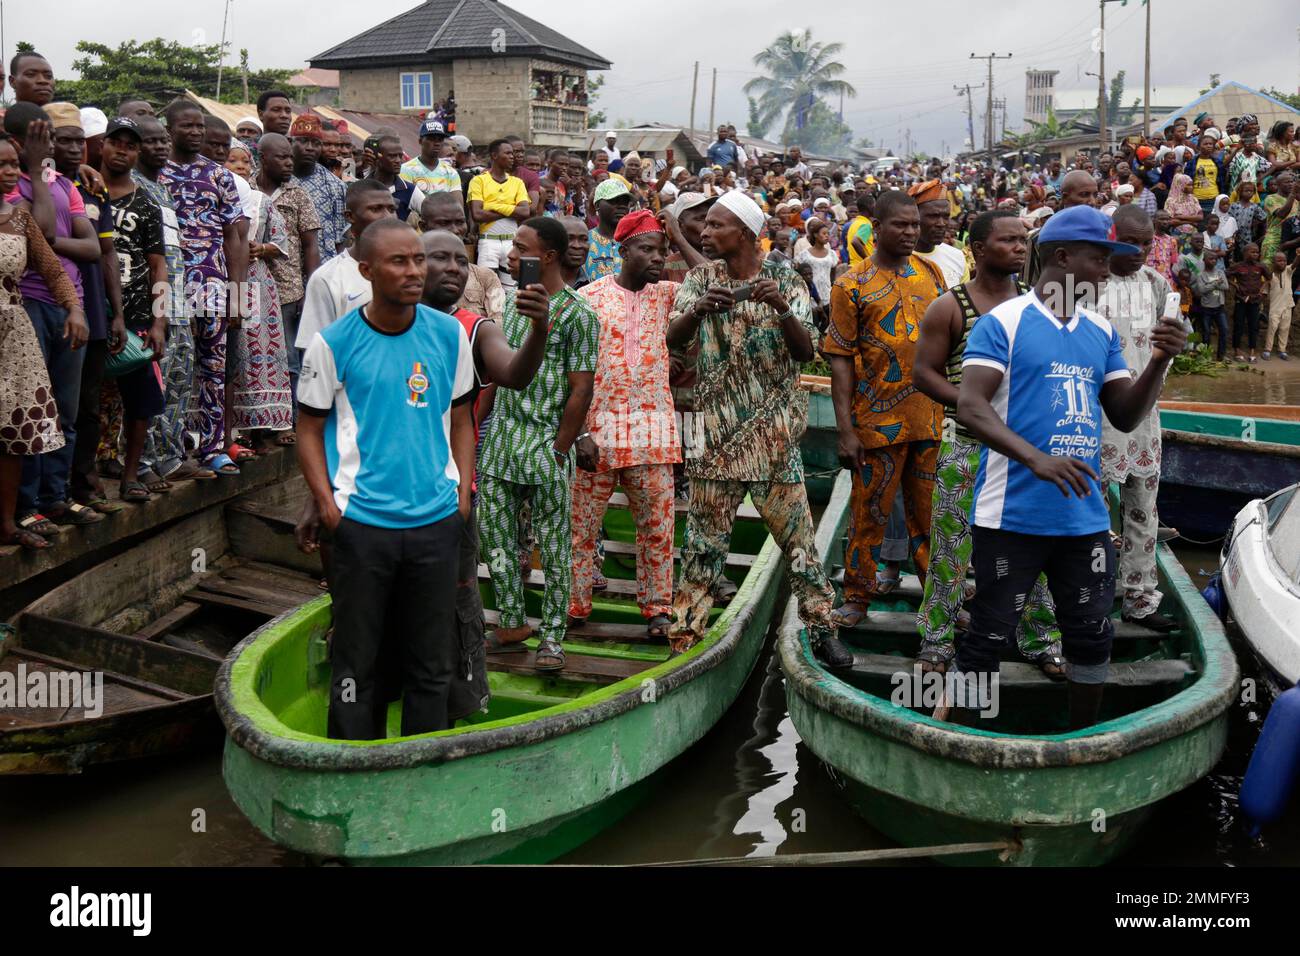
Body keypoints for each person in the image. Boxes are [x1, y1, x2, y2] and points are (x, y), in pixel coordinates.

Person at [951, 205, 1188, 728]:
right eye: (1098, 257)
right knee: (988, 633)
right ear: (1061, 257)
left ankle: (1082, 740)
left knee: (1090, 634)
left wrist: (1159, 361)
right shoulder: (1004, 322)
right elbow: (971, 407)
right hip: (1011, 515)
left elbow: (1124, 415)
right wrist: (1036, 459)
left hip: (1083, 520)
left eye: (1112, 258)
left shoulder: (1098, 331)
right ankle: (966, 742)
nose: (1107, 269)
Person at [298, 218, 475, 739]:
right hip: (361, 524)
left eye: (419, 259)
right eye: (400, 262)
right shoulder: (333, 344)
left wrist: (461, 492)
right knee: (358, 659)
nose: (416, 271)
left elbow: (462, 418)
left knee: (431, 657)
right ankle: (353, 762)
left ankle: (420, 761)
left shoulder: (448, 336)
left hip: (437, 521)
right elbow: (306, 429)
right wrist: (327, 504)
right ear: (367, 270)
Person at [666, 191, 849, 668]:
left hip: (773, 440)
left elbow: (807, 351)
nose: (704, 234)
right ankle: (685, 640)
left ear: (745, 233)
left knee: (800, 547)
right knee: (702, 548)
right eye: (704, 226)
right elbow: (672, 338)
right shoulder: (700, 279)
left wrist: (783, 309)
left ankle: (822, 628)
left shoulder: (785, 279)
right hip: (713, 437)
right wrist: (700, 309)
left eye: (715, 226)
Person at [912, 209, 1062, 675]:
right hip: (968, 442)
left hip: (1024, 450)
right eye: (1008, 241)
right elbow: (923, 374)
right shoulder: (950, 306)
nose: (1019, 248)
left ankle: (1039, 636)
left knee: (1032, 545)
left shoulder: (1038, 306)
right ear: (978, 249)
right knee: (951, 543)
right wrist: (974, 404)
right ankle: (936, 639)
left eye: (1023, 240)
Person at [476, 217, 598, 672]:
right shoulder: (509, 302)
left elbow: (581, 389)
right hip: (502, 443)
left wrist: (561, 449)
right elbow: (498, 372)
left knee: (554, 546)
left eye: (520, 248)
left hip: (545, 444)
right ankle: (511, 623)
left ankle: (551, 637)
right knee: (496, 539)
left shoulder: (579, 314)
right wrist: (477, 426)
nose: (510, 254)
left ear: (546, 257)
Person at [822, 190, 944, 629]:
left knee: (931, 513)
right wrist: (844, 429)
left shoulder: (930, 273)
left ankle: (942, 601)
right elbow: (839, 357)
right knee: (868, 513)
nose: (912, 232)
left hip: (929, 418)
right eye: (902, 225)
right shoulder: (851, 283)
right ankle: (857, 595)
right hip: (876, 423)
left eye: (915, 225)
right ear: (877, 230)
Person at [570, 211, 681, 638]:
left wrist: (674, 230)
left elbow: (710, 283)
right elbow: (570, 370)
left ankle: (657, 609)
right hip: (595, 436)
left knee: (657, 528)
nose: (657, 258)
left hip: (652, 436)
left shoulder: (669, 295)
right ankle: (575, 604)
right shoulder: (590, 298)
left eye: (662, 250)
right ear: (623, 251)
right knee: (578, 527)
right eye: (647, 249)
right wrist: (578, 432)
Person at [4, 104, 94, 537]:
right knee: (32, 413)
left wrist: (75, 304)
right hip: (29, 307)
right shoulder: (13, 185)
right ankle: (27, 504)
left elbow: (91, 246)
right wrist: (38, 171)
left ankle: (55, 497)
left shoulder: (64, 183)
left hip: (66, 300)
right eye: (41, 138)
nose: (51, 146)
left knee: (65, 410)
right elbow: (39, 229)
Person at [1098, 206, 1180, 631]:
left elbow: (1168, 344)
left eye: (1146, 243)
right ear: (1110, 237)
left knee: (1144, 507)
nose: (1139, 251)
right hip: (1095, 419)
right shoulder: (1087, 285)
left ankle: (1140, 597)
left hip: (1145, 417)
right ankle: (1087, 597)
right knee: (1089, 512)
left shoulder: (1156, 284)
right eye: (1129, 242)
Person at [159, 98, 247, 478]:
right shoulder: (154, 174)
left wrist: (239, 294)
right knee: (172, 370)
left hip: (212, 285)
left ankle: (213, 449)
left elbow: (237, 237)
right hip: (168, 287)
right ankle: (170, 451)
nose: (195, 132)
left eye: (199, 126)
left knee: (213, 369)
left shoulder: (220, 176)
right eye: (187, 126)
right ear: (170, 130)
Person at [99, 117, 169, 504]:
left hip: (139, 313)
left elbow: (159, 265)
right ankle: (85, 480)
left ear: (138, 151)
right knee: (86, 399)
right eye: (116, 141)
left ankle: (131, 475)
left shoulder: (146, 203)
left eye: (130, 144)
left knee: (140, 399)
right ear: (103, 144)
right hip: (93, 309)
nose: (121, 149)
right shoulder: (85, 191)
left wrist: (159, 321)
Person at [132, 116, 198, 485]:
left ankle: (171, 456)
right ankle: (146, 460)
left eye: (163, 141)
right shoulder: (133, 188)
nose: (159, 147)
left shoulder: (164, 189)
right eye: (151, 141)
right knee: (152, 382)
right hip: (151, 302)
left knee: (178, 379)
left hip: (178, 300)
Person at [468, 139, 530, 287]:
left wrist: (492, 206)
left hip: (512, 242)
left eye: (513, 153)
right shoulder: (478, 181)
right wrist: (510, 208)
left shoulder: (517, 182)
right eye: (507, 153)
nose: (512, 156)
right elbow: (477, 214)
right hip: (488, 241)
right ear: (494, 156)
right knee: (485, 287)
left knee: (510, 288)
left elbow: (525, 211)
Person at [290, 113, 347, 262]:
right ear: (291, 142)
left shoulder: (335, 186)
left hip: (323, 268)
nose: (309, 148)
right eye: (303, 141)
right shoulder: (277, 178)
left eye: (315, 143)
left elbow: (340, 239)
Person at [1023, 170, 1096, 284]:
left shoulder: (1103, 235)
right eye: (1084, 194)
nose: (1092, 201)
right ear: (1065, 197)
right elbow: (1028, 286)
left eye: (1095, 195)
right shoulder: (1038, 238)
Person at [910, 180, 969, 287]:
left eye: (946, 216)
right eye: (933, 216)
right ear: (914, 216)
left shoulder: (957, 257)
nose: (941, 224)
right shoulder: (893, 261)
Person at [580, 178, 632, 284]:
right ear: (597, 205)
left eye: (625, 202)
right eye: (614, 201)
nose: (621, 206)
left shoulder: (633, 242)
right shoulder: (584, 241)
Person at [1227, 243, 1267, 362]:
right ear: (1245, 253)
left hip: (1255, 301)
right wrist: (1236, 285)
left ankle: (1252, 351)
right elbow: (1225, 275)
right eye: (1252, 252)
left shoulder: (1261, 267)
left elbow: (1269, 279)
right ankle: (1237, 350)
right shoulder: (1238, 266)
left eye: (1257, 252)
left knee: (1253, 326)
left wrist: (1262, 291)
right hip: (1241, 299)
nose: (1255, 254)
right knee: (1238, 325)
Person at [400, 118, 460, 197]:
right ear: (420, 141)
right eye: (431, 139)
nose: (437, 143)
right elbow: (405, 203)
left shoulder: (451, 173)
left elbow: (457, 205)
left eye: (440, 139)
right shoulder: (406, 170)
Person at [1263, 252, 1294, 361]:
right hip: (1275, 308)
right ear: (1273, 262)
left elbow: (1295, 264)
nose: (1282, 263)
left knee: (1284, 329)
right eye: (1279, 261)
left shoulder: (1288, 271)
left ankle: (1282, 350)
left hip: (1287, 306)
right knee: (1272, 329)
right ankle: (1267, 350)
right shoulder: (1269, 276)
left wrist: (1299, 255)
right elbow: (1264, 292)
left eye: (1284, 261)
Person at [845, 193, 874, 270]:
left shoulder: (854, 223)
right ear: (869, 207)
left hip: (854, 266)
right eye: (874, 205)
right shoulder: (866, 225)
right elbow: (855, 242)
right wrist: (868, 260)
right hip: (863, 268)